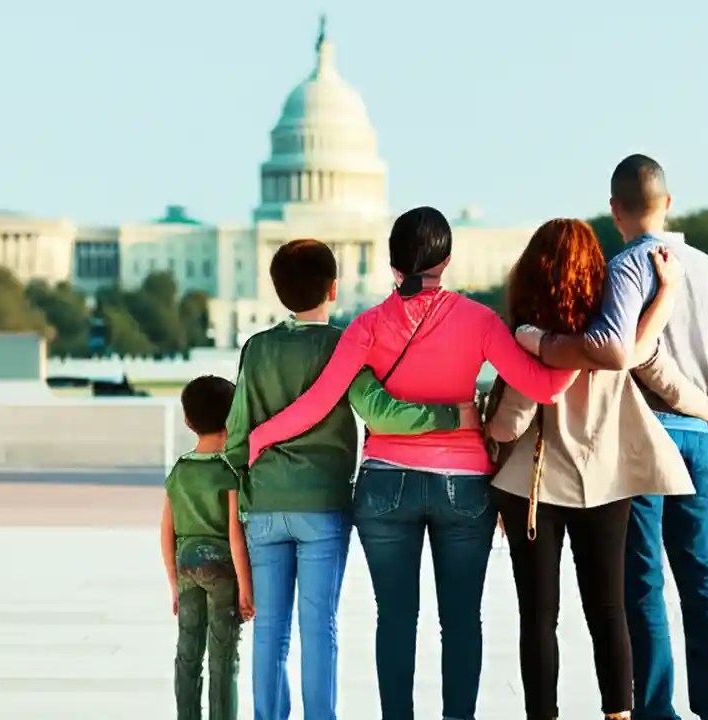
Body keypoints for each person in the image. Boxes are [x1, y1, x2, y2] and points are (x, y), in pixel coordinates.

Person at [247, 207, 578, 720]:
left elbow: (318, 402)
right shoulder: (480, 321)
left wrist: (259, 438)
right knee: (461, 621)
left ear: (392, 264)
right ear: (446, 261)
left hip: (385, 486)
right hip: (463, 485)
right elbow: (544, 387)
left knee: (396, 621)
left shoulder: (366, 325)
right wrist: (579, 344)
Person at [223, 238, 480, 720]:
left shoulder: (256, 348)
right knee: (319, 628)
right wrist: (449, 415)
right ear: (333, 289)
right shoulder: (344, 344)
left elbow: (238, 434)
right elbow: (380, 411)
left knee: (270, 631)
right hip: (321, 504)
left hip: (265, 505)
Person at [486, 219, 708, 720]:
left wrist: (487, 420)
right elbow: (662, 376)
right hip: (604, 485)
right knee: (610, 610)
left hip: (536, 489)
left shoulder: (532, 336)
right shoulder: (613, 332)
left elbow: (512, 424)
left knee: (539, 618)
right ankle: (618, 713)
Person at [530, 155, 708, 720]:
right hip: (696, 436)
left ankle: (656, 709)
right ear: (668, 203)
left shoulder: (624, 268)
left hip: (644, 436)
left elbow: (619, 351)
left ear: (614, 209)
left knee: (643, 582)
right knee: (702, 577)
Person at [161, 375, 255, 720]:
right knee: (223, 657)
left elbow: (166, 531)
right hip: (223, 570)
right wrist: (246, 587)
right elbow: (235, 534)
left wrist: (174, 583)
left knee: (188, 652)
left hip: (186, 565)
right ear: (233, 419)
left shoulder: (180, 470)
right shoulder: (230, 471)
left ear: (188, 422)